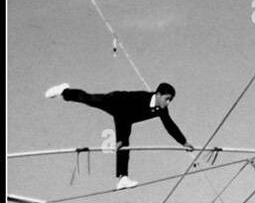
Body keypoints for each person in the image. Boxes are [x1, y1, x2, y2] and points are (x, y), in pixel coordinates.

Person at [45, 81, 194, 189]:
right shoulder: (142, 99)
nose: (168, 103)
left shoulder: (162, 109)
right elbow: (122, 116)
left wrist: (184, 142)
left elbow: (170, 126)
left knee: (124, 145)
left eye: (170, 100)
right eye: (167, 99)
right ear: (158, 94)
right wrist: (121, 138)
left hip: (126, 116)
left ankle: (122, 177)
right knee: (88, 99)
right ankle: (64, 91)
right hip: (116, 102)